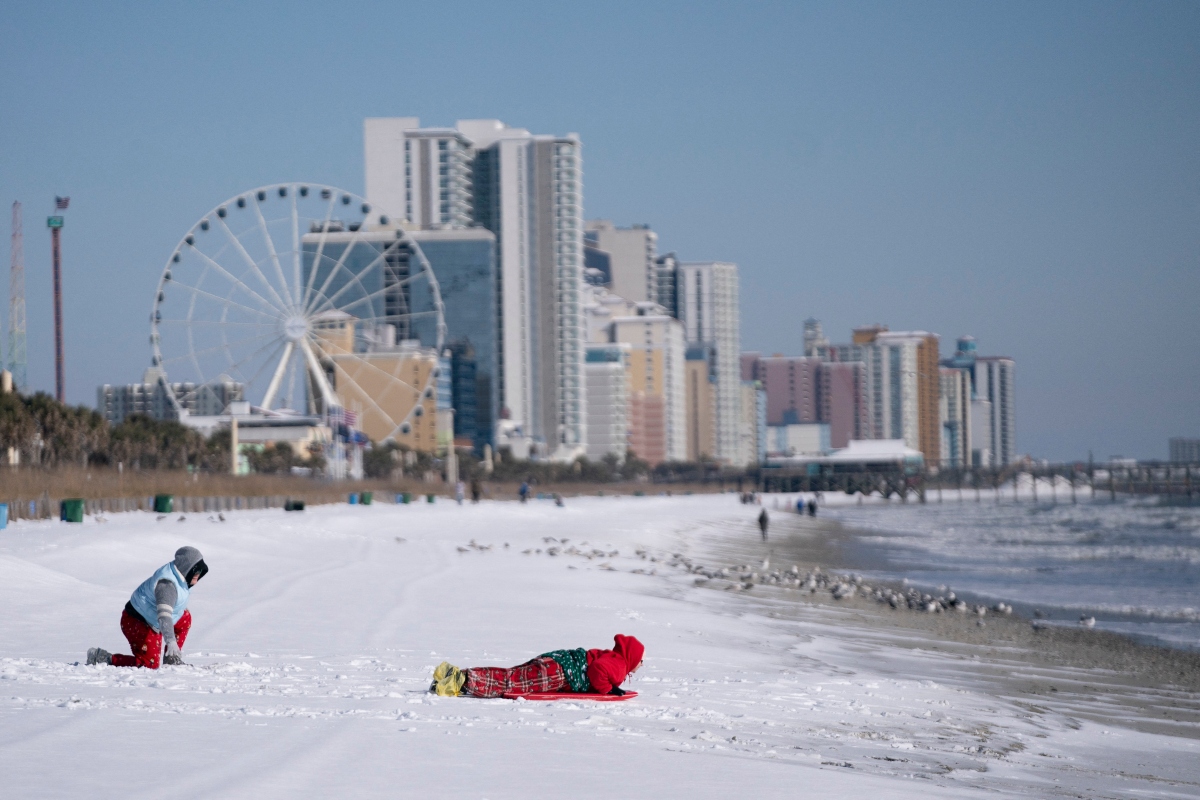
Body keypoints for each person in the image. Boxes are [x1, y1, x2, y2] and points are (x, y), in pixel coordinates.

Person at [86, 546, 208, 669]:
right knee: (149, 665)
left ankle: (171, 658)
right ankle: (103, 658)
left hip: (153, 619)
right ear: (187, 569)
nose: (198, 575)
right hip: (138, 621)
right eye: (196, 571)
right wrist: (170, 641)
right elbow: (164, 616)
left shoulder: (181, 578)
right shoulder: (167, 585)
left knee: (184, 618)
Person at [431, 634, 644, 698]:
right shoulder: (619, 665)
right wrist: (609, 689)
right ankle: (461, 681)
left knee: (511, 676)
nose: (641, 663)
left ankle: (455, 675)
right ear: (631, 657)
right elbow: (597, 670)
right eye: (640, 659)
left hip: (557, 662)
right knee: (510, 682)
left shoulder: (614, 657)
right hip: (559, 673)